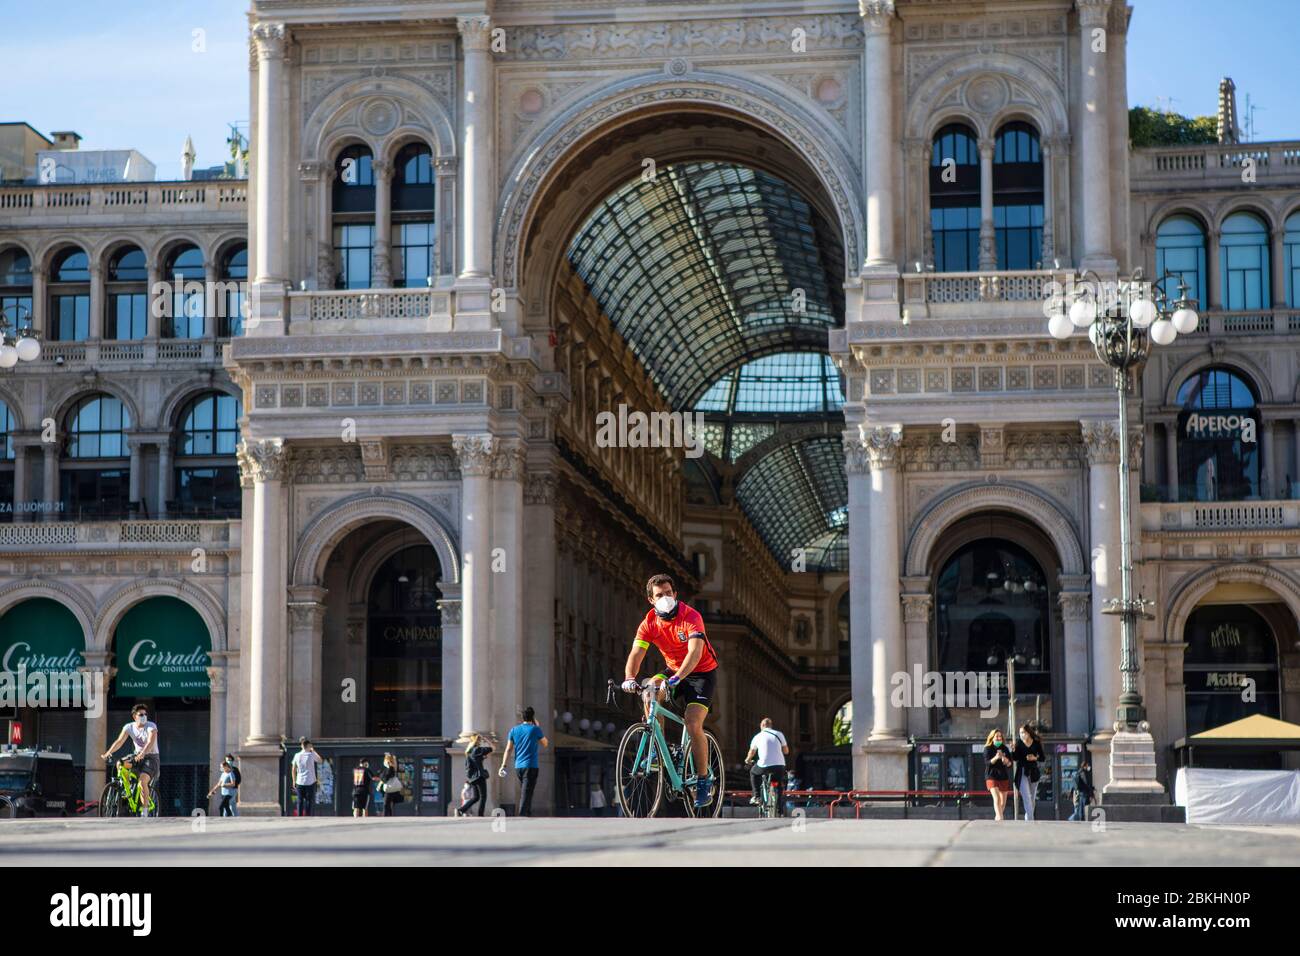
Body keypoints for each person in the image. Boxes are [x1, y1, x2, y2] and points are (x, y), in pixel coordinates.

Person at [620, 572, 721, 809]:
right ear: (651, 600)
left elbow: (695, 653)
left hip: (701, 674)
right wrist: (629, 678)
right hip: (672, 670)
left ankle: (704, 779)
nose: (665, 597)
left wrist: (677, 678)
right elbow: (637, 653)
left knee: (693, 722)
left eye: (668, 593)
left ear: (675, 594)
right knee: (648, 690)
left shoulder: (691, 616)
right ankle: (656, 748)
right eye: (659, 595)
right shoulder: (648, 624)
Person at [102, 704, 160, 818]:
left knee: (142, 781)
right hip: (136, 756)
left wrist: (143, 753)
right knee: (120, 763)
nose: (144, 716)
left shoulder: (151, 726)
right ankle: (125, 789)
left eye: (145, 714)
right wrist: (108, 753)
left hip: (151, 758)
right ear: (134, 716)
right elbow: (119, 741)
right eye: (141, 714)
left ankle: (145, 810)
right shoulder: (129, 727)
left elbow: (150, 742)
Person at [500, 708, 548, 817]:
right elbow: (545, 743)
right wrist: (538, 727)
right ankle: (522, 815)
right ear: (533, 717)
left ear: (522, 718)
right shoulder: (535, 729)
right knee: (526, 792)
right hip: (531, 765)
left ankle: (528, 814)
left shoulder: (513, 730)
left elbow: (508, 749)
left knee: (526, 790)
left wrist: (503, 765)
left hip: (518, 767)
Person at [746, 717, 789, 814]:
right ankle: (779, 809)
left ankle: (756, 796)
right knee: (778, 785)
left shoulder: (757, 736)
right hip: (779, 765)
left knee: (753, 772)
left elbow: (752, 752)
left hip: (764, 765)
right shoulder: (779, 734)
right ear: (771, 725)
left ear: (761, 726)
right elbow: (786, 751)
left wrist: (747, 760)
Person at [1012, 723, 1045, 821]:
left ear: (1028, 732)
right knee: (1026, 797)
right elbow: (1015, 758)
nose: (1022, 735)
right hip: (1022, 772)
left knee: (1031, 799)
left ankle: (1028, 818)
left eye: (1023, 732)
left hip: (1033, 772)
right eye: (1020, 733)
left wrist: (1034, 758)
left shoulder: (1036, 743)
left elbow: (1042, 758)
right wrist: (1013, 750)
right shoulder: (1019, 743)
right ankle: (1031, 821)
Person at [457, 734, 493, 817]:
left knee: (476, 797)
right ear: (477, 741)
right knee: (483, 796)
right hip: (479, 776)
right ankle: (480, 814)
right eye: (480, 741)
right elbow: (493, 748)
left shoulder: (468, 752)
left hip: (472, 778)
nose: (480, 742)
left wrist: (482, 758)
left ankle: (461, 810)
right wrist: (487, 740)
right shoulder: (478, 750)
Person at [984, 728, 1014, 821]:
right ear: (992, 738)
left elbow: (1010, 764)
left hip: (1003, 776)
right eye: (996, 736)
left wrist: (1006, 760)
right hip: (991, 776)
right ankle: (1001, 818)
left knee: (1003, 803)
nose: (998, 738)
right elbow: (987, 762)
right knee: (996, 798)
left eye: (1000, 736)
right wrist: (996, 757)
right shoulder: (988, 748)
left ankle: (997, 818)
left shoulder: (1005, 748)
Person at [290, 737, 323, 817]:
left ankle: (300, 816)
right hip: (310, 781)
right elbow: (320, 760)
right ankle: (308, 816)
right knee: (309, 801)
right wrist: (313, 750)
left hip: (299, 781)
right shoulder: (311, 754)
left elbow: (293, 769)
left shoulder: (297, 755)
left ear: (302, 746)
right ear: (308, 746)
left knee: (300, 800)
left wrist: (294, 781)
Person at [1069, 754, 1096, 822]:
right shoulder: (1083, 773)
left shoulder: (1078, 772)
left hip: (1080, 793)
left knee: (1081, 808)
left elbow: (1075, 784)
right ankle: (1081, 820)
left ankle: (1081, 820)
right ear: (1085, 766)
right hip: (1084, 793)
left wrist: (1071, 793)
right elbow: (1087, 783)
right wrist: (1091, 794)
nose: (1088, 767)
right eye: (1087, 766)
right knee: (1085, 808)